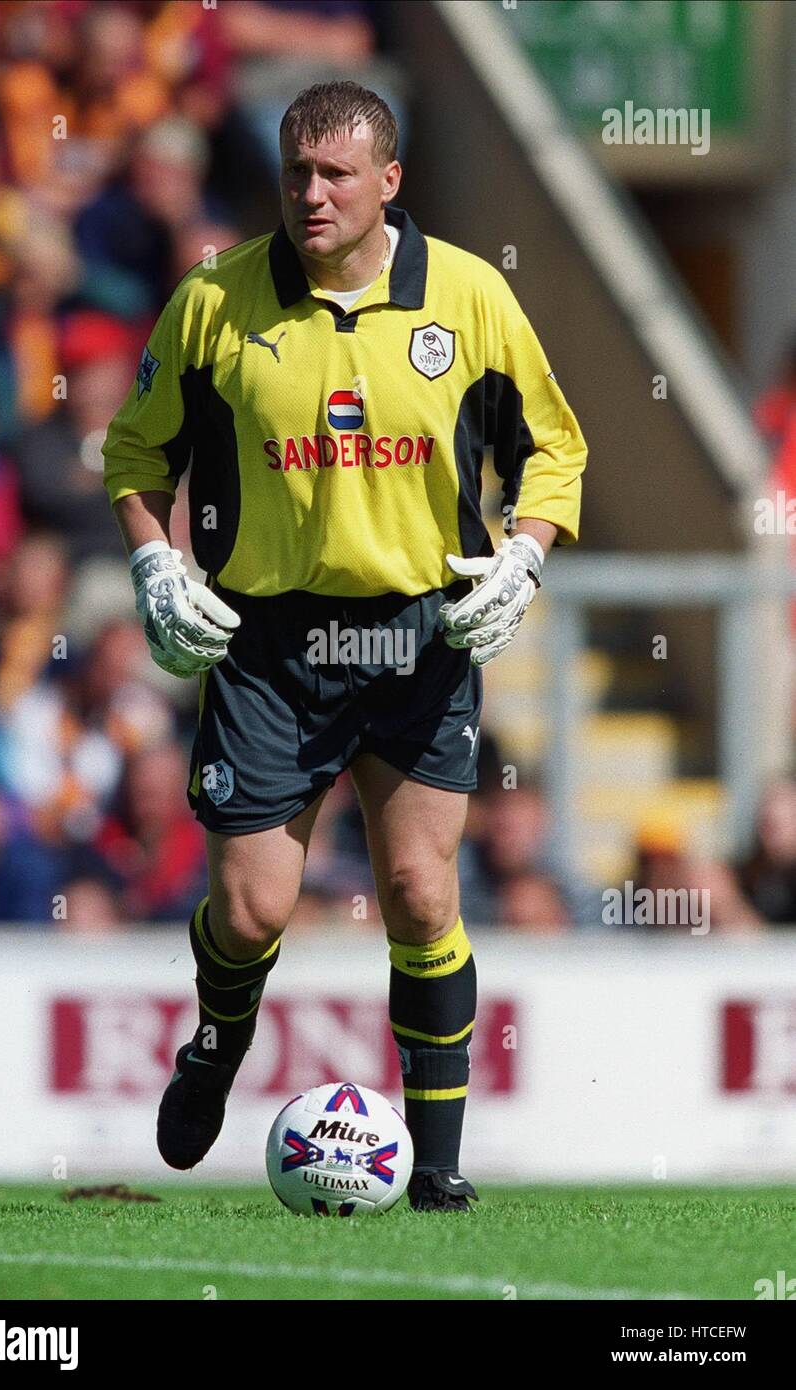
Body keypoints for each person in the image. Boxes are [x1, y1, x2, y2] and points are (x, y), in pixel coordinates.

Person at [103, 81, 587, 1212]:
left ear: (388, 182)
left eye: (333, 175)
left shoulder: (467, 297)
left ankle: (439, 1163)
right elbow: (135, 452)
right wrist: (152, 560)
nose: (310, 195)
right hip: (267, 643)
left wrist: (522, 556)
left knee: (420, 892)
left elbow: (551, 451)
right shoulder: (214, 303)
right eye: (293, 174)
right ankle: (217, 1043)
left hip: (418, 632)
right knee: (252, 911)